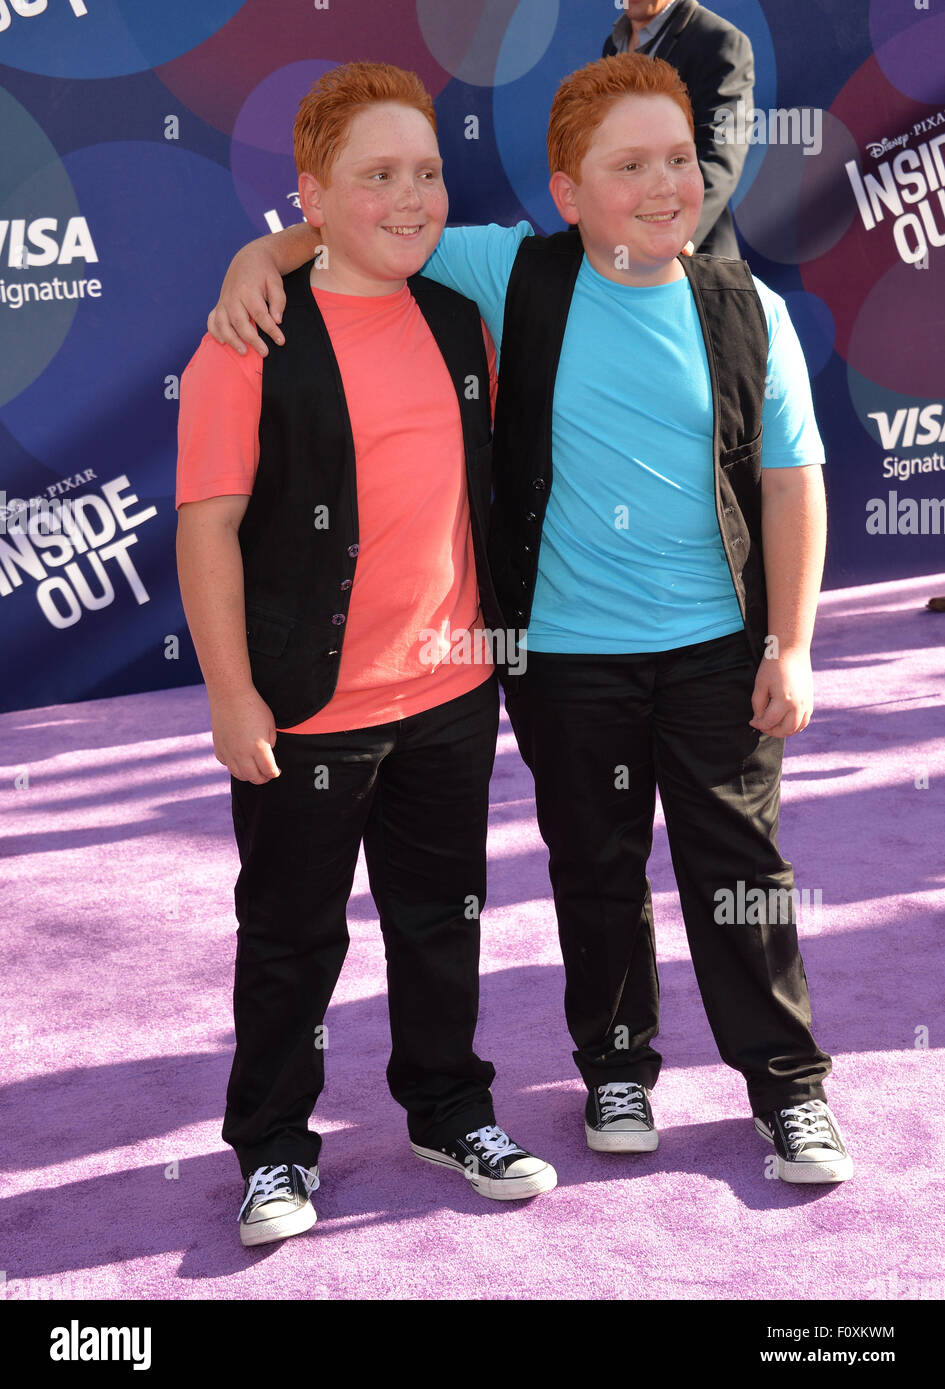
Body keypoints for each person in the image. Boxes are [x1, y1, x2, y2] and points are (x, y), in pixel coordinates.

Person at [207, 53, 852, 1185]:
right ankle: (613, 1065)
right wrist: (259, 252)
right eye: (629, 165)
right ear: (566, 192)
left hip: (718, 654)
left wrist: (790, 644)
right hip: (559, 660)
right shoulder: (509, 272)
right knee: (593, 868)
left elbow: (793, 482)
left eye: (679, 160)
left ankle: (788, 1088)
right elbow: (365, 230)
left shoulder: (749, 308)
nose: (665, 186)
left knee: (739, 871)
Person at [176, 60, 556, 1247]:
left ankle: (450, 1109)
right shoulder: (251, 335)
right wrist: (234, 695)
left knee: (441, 919)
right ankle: (274, 1149)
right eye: (377, 176)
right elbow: (209, 528)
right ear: (311, 196)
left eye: (428, 172)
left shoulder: (461, 320)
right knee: (291, 940)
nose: (411, 197)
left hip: (451, 690)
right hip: (309, 708)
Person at [604, 0, 753, 255]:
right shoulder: (614, 45)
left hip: (688, 261)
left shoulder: (719, 41)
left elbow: (719, 152)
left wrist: (675, 232)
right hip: (623, 251)